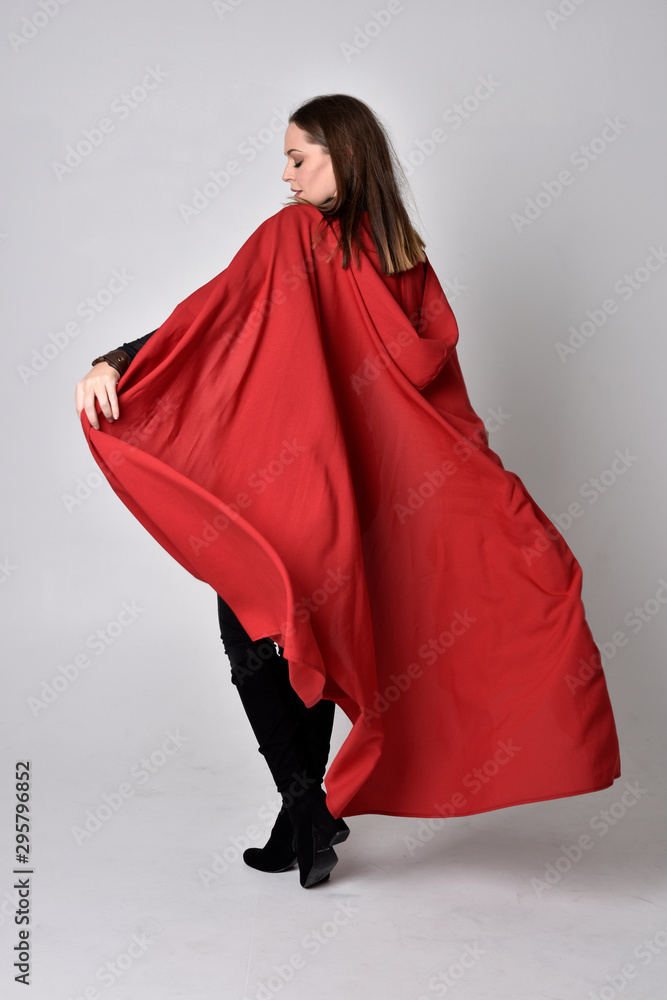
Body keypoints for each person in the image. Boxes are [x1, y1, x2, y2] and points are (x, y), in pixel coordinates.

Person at [75, 94, 621, 890]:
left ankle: (304, 812)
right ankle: (303, 818)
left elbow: (207, 322)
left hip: (295, 491)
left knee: (258, 643)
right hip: (359, 506)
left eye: (300, 157)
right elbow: (439, 403)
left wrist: (116, 359)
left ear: (343, 155)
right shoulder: (404, 258)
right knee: (314, 643)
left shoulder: (296, 237)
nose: (285, 173)